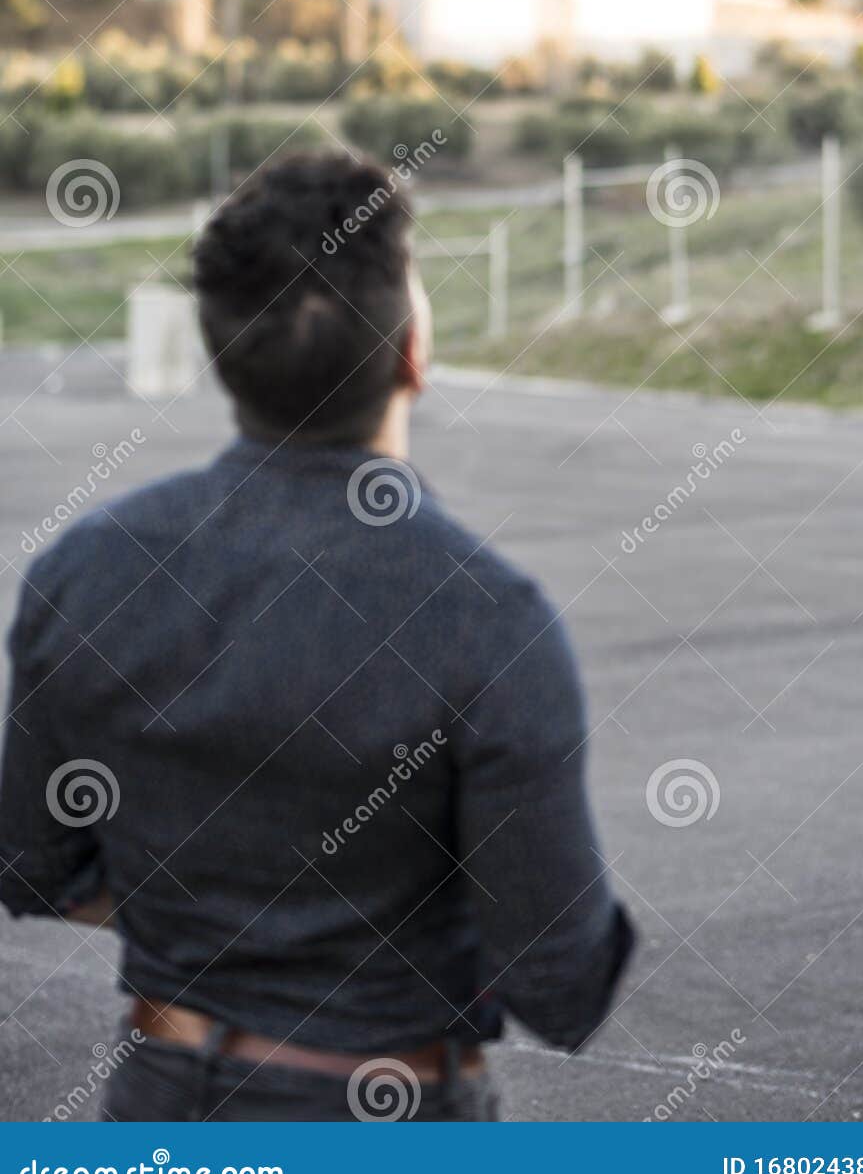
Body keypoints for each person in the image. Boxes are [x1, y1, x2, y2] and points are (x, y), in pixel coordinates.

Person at [0, 150, 634, 1122]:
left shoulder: (85, 568)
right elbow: (561, 980)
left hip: (156, 1102)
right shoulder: (487, 617)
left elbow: (30, 864)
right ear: (412, 353)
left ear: (223, 355)